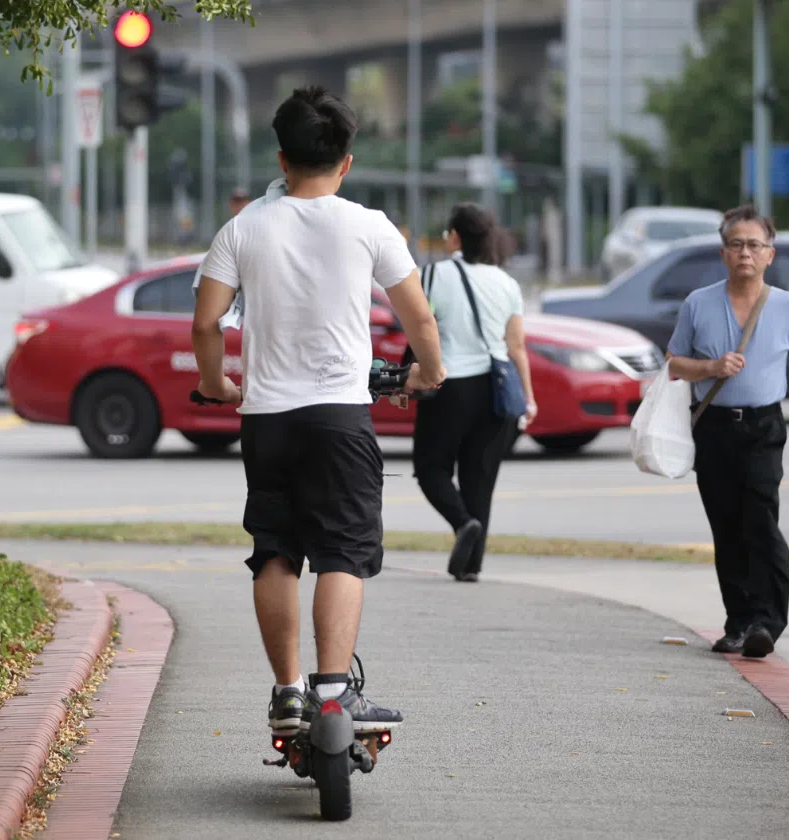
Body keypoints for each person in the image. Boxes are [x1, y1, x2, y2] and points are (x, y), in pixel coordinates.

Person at [191, 85, 447, 736]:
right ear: (346, 161)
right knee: (343, 552)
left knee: (274, 551)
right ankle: (335, 692)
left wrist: (219, 384)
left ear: (282, 160)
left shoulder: (241, 228)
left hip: (266, 417)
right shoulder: (368, 226)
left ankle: (287, 692)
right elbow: (416, 314)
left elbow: (206, 323)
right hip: (339, 415)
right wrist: (431, 372)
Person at [666, 204, 789, 659]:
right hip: (713, 427)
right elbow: (674, 364)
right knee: (726, 527)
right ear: (723, 253)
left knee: (760, 520)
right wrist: (711, 367)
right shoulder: (699, 304)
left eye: (754, 245)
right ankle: (737, 623)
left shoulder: (787, 306)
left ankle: (767, 622)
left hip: (763, 426)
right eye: (735, 245)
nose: (744, 254)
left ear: (769, 254)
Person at [410, 203, 535, 582]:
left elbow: (421, 324)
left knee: (431, 468)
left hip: (451, 385)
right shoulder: (506, 283)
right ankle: (471, 565)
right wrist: (529, 398)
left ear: (456, 237)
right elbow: (516, 347)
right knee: (480, 479)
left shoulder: (432, 274)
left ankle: (463, 523)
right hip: (496, 390)